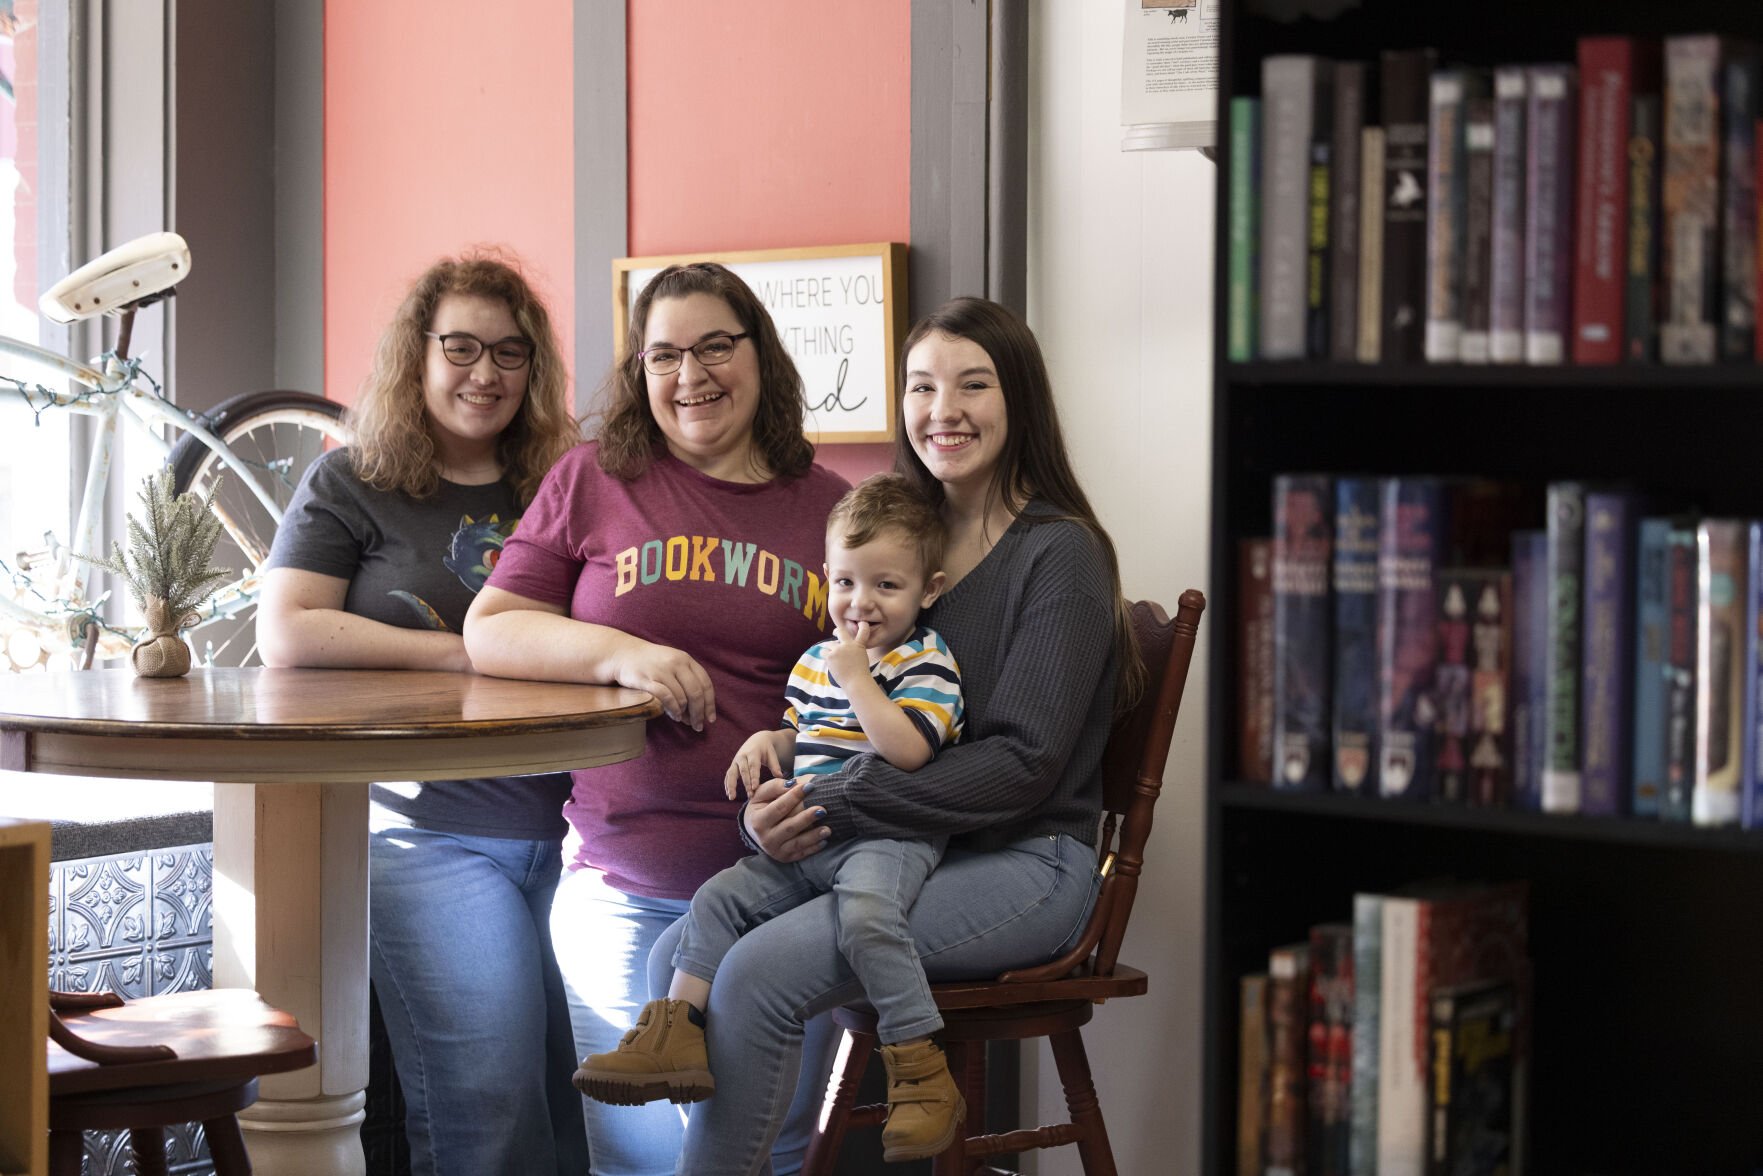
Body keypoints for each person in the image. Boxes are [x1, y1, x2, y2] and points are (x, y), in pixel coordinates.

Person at [647, 295, 1148, 1173]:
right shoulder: (900, 552)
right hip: (907, 851)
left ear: (1018, 399)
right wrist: (780, 802)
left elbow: (1023, 765)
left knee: (758, 976)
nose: (941, 410)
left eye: (973, 385)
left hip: (1031, 863)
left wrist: (834, 803)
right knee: (677, 949)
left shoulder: (1058, 554)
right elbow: (845, 717)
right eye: (921, 386)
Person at [462, 261, 851, 1175]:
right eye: (664, 355)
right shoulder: (594, 479)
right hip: (620, 882)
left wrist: (803, 739)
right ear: (639, 372)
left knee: (767, 1155)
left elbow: (881, 688)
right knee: (633, 1160)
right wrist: (622, 655)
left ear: (760, 354)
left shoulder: (832, 507)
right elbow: (495, 630)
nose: (691, 375)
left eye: (716, 346)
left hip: (782, 892)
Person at [257, 251, 588, 1176]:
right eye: (462, 347)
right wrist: (473, 649)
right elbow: (287, 631)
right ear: (418, 354)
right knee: (489, 1115)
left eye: (511, 353)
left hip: (581, 832)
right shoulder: (352, 480)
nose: (486, 374)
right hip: (430, 832)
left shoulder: (564, 483)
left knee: (587, 1111)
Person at [574, 472, 967, 1162]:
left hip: (888, 837)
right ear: (826, 581)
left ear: (927, 590)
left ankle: (918, 1065)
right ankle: (675, 1033)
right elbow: (813, 733)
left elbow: (907, 750)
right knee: (717, 899)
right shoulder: (817, 661)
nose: (860, 603)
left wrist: (857, 677)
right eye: (845, 583)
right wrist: (772, 740)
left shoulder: (924, 660)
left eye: (885, 585)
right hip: (812, 835)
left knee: (869, 916)